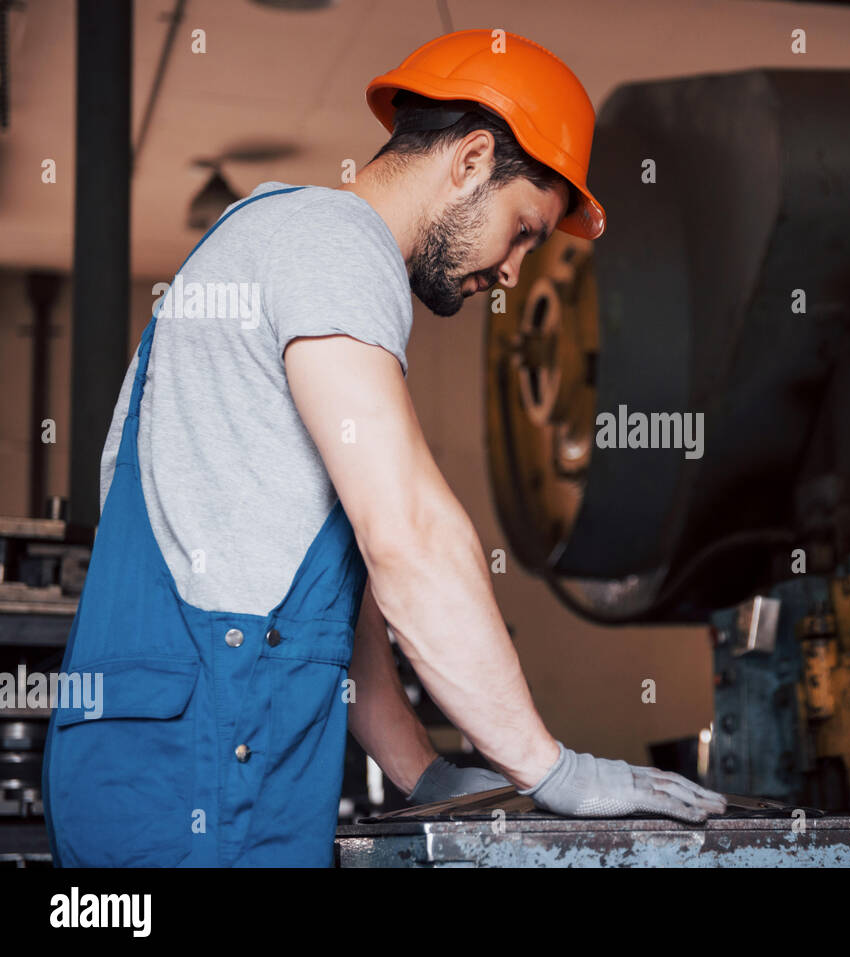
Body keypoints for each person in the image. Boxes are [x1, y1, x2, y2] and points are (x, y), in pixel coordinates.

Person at [42, 28, 726, 868]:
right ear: (473, 160)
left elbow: (330, 597)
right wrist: (555, 769)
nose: (514, 273)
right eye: (522, 230)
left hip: (156, 764)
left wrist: (419, 770)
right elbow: (410, 535)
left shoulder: (269, 239)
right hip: (204, 768)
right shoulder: (335, 241)